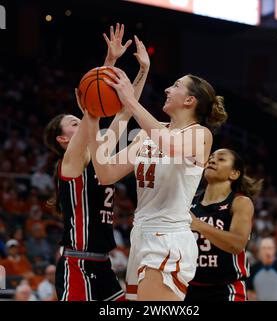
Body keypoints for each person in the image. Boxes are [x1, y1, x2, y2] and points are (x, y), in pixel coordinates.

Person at [86, 67, 227, 300]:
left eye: (176, 86)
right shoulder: (145, 135)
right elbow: (105, 173)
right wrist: (92, 119)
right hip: (140, 234)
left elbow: (170, 146)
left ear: (189, 100)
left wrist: (130, 102)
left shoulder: (200, 135)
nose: (167, 89)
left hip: (169, 237)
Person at [43, 23, 150, 301]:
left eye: (78, 118)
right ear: (63, 140)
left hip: (102, 264)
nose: (80, 120)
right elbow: (94, 105)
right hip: (78, 265)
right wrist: (109, 62)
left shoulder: (100, 157)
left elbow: (124, 113)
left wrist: (142, 71)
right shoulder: (69, 163)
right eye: (72, 123)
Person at [185, 148, 262, 301]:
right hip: (188, 286)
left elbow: (237, 244)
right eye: (212, 157)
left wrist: (198, 225)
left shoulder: (240, 202)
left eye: (221, 159)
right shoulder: (189, 201)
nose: (212, 160)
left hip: (226, 288)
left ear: (234, 173)